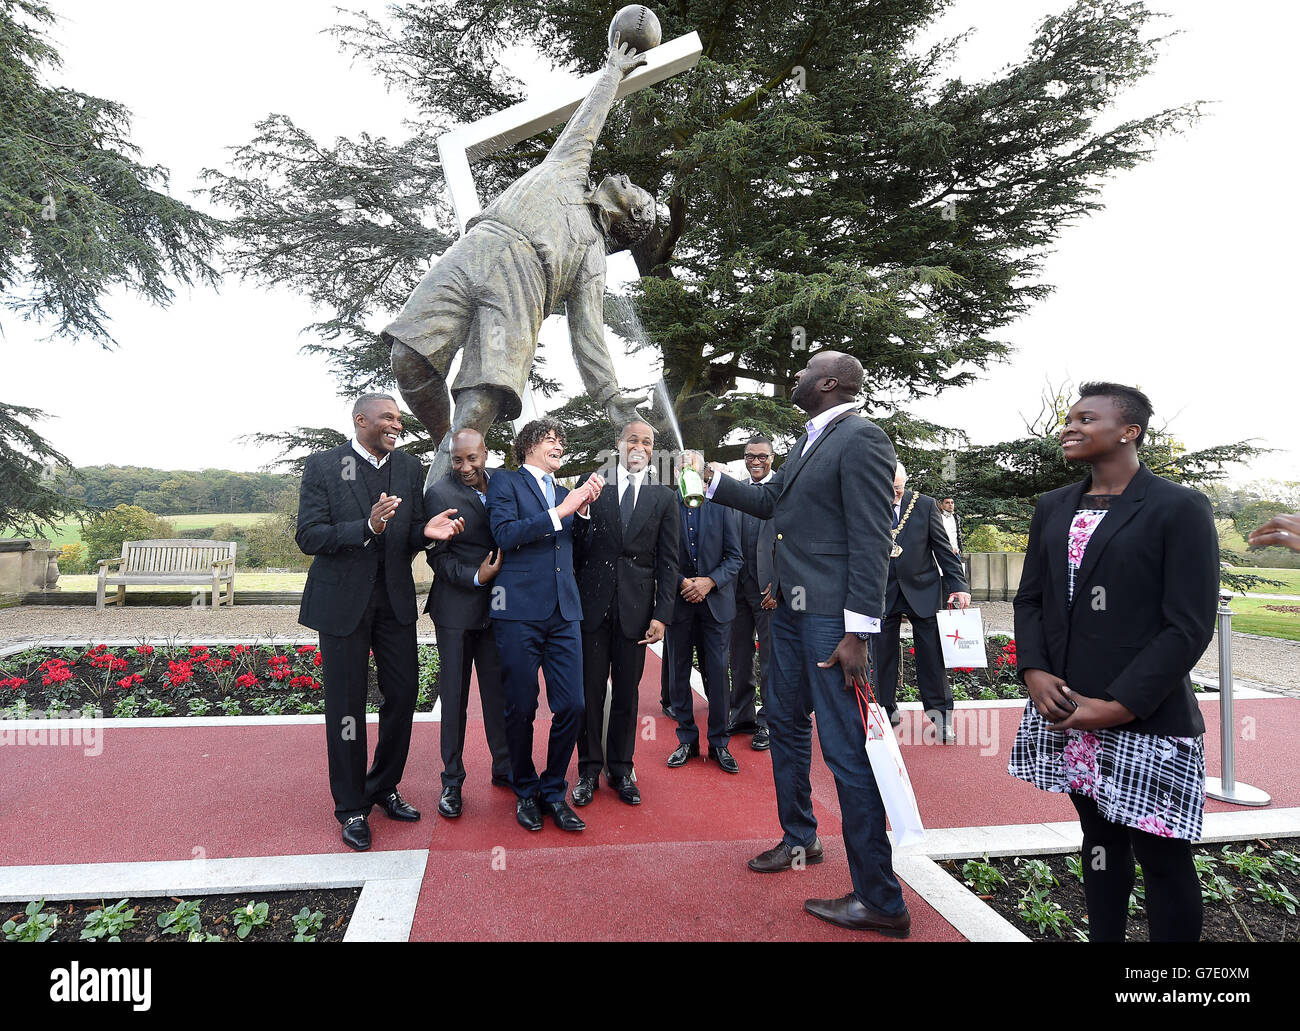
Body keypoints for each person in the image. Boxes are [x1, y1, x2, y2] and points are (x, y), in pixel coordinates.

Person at [702, 351, 910, 936]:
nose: (792, 377)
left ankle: (881, 900)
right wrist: (713, 479)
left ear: (828, 383)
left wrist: (858, 631)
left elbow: (871, 538)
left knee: (844, 750)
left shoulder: (862, 438)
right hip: (789, 614)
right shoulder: (810, 438)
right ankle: (801, 839)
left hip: (830, 621)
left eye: (803, 371)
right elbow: (773, 505)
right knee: (786, 724)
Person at [385, 37, 653, 485]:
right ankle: (443, 442)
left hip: (524, 290)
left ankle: (445, 504)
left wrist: (608, 395)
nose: (627, 178)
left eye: (636, 191)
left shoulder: (593, 257)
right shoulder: (567, 169)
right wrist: (612, 71)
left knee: (477, 408)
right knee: (407, 355)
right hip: (477, 248)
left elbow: (587, 332)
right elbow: (588, 122)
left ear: (630, 217)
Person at [1008, 382, 1219, 942]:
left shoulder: (1178, 507)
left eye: (1086, 418)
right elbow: (1030, 599)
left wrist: (1120, 705)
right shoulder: (1054, 506)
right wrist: (1033, 671)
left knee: (1164, 861)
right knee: (1099, 845)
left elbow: (1188, 624)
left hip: (1146, 718)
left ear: (1130, 431)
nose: (1069, 427)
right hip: (1068, 713)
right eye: (1068, 418)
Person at [296, 393, 465, 851]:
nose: (397, 424)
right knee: (347, 707)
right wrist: (366, 528)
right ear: (360, 420)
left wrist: (424, 532)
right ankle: (351, 806)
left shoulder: (409, 468)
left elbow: (404, 534)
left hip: (393, 604)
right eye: (387, 418)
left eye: (398, 418)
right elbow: (308, 537)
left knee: (404, 694)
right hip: (341, 607)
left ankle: (384, 786)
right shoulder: (324, 466)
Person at [487, 418, 604, 832]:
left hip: (564, 613)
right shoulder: (504, 482)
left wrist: (584, 513)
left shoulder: (564, 493)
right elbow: (503, 534)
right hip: (518, 611)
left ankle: (553, 791)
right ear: (529, 445)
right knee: (520, 707)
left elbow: (579, 553)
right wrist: (561, 511)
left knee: (573, 705)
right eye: (551, 439)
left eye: (561, 441)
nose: (559, 446)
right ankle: (525, 790)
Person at [571, 420, 680, 806]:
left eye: (646, 442)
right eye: (632, 439)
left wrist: (662, 615)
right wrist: (581, 514)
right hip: (592, 609)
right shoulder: (592, 483)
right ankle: (587, 770)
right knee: (589, 692)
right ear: (619, 443)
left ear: (652, 449)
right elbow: (575, 546)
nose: (639, 446)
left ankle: (621, 768)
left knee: (627, 697)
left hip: (637, 613)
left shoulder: (664, 497)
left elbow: (669, 563)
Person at [423, 429, 513, 819]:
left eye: (472, 459)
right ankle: (452, 782)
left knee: (499, 696)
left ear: (485, 454)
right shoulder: (438, 495)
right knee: (455, 699)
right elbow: (437, 560)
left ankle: (505, 768)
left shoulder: (505, 483)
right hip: (456, 610)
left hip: (497, 611)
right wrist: (476, 575)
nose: (465, 467)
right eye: (457, 460)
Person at [873, 463, 971, 739]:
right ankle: (885, 710)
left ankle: (941, 717)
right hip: (881, 591)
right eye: (890, 489)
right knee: (882, 655)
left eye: (898, 489)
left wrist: (959, 585)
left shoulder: (925, 505)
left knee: (931, 656)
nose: (894, 495)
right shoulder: (868, 501)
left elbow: (943, 549)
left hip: (923, 590)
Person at [665, 450, 743, 774]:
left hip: (715, 605)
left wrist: (709, 582)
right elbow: (661, 556)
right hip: (679, 604)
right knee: (678, 674)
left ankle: (719, 743)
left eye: (692, 465)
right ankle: (687, 740)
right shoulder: (666, 505)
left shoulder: (722, 507)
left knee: (718, 673)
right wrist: (685, 582)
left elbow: (735, 558)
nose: (687, 469)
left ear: (703, 472)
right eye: (681, 465)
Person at [727, 436, 777, 751]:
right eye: (749, 456)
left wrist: (782, 582)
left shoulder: (783, 493)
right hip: (737, 591)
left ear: (773, 458)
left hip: (770, 592)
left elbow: (794, 541)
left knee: (772, 660)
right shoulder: (738, 493)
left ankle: (769, 722)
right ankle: (742, 715)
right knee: (739, 656)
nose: (755, 461)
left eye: (761, 456)